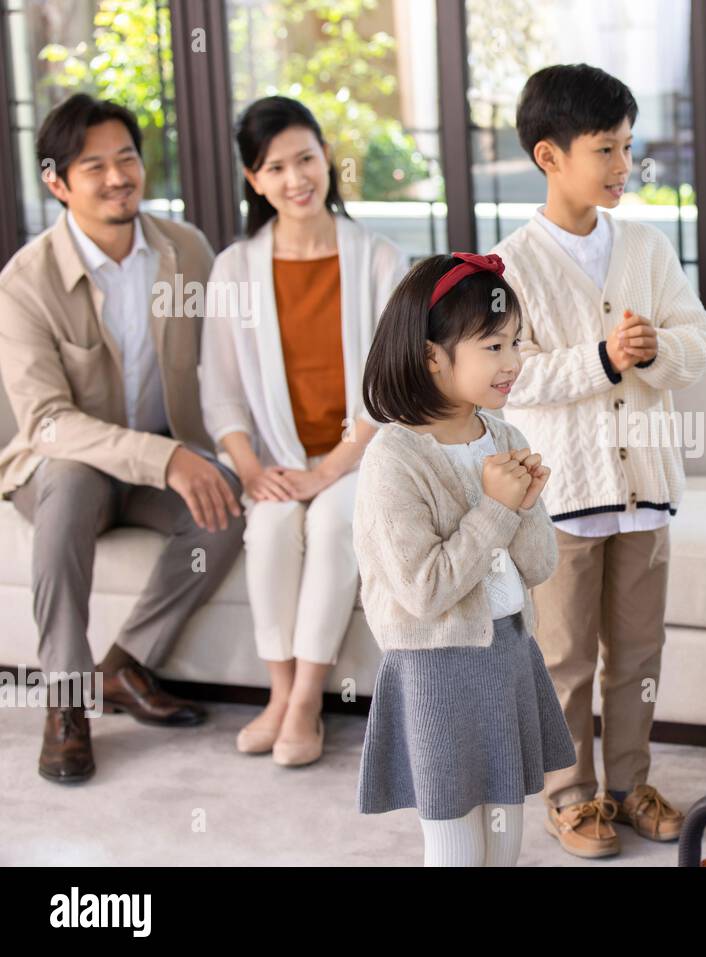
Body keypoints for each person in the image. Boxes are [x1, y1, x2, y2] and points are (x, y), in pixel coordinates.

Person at [491, 64, 706, 857]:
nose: (625, 166)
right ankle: (570, 797)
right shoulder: (508, 265)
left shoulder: (649, 247)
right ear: (549, 157)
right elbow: (507, 374)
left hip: (646, 492)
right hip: (562, 499)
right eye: (606, 150)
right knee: (563, 660)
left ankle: (629, 787)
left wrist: (656, 350)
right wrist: (601, 358)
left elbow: (703, 341)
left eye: (629, 147)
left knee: (639, 656)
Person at [0, 94, 244, 782]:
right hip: (60, 466)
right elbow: (47, 420)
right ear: (57, 182)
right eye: (93, 165)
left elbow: (230, 359)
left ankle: (124, 664)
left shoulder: (185, 251)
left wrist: (227, 452)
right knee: (72, 484)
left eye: (126, 157)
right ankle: (67, 700)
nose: (117, 177)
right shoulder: (25, 283)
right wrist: (164, 457)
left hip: (153, 463)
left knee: (222, 502)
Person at [200, 96, 406, 766]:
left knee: (330, 522)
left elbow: (393, 384)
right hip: (281, 459)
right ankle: (280, 693)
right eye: (275, 167)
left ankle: (309, 699)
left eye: (307, 158)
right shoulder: (235, 268)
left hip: (364, 456)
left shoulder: (378, 260)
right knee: (268, 524)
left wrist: (330, 468)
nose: (297, 178)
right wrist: (250, 467)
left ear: (327, 158)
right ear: (254, 180)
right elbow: (221, 389)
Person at [352, 252, 576, 867]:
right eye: (493, 347)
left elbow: (538, 566)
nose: (513, 363)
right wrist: (499, 509)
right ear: (432, 357)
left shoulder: (506, 437)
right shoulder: (394, 458)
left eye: (515, 343)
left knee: (505, 837)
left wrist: (526, 506)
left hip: (508, 648)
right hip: (437, 667)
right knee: (454, 840)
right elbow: (425, 592)